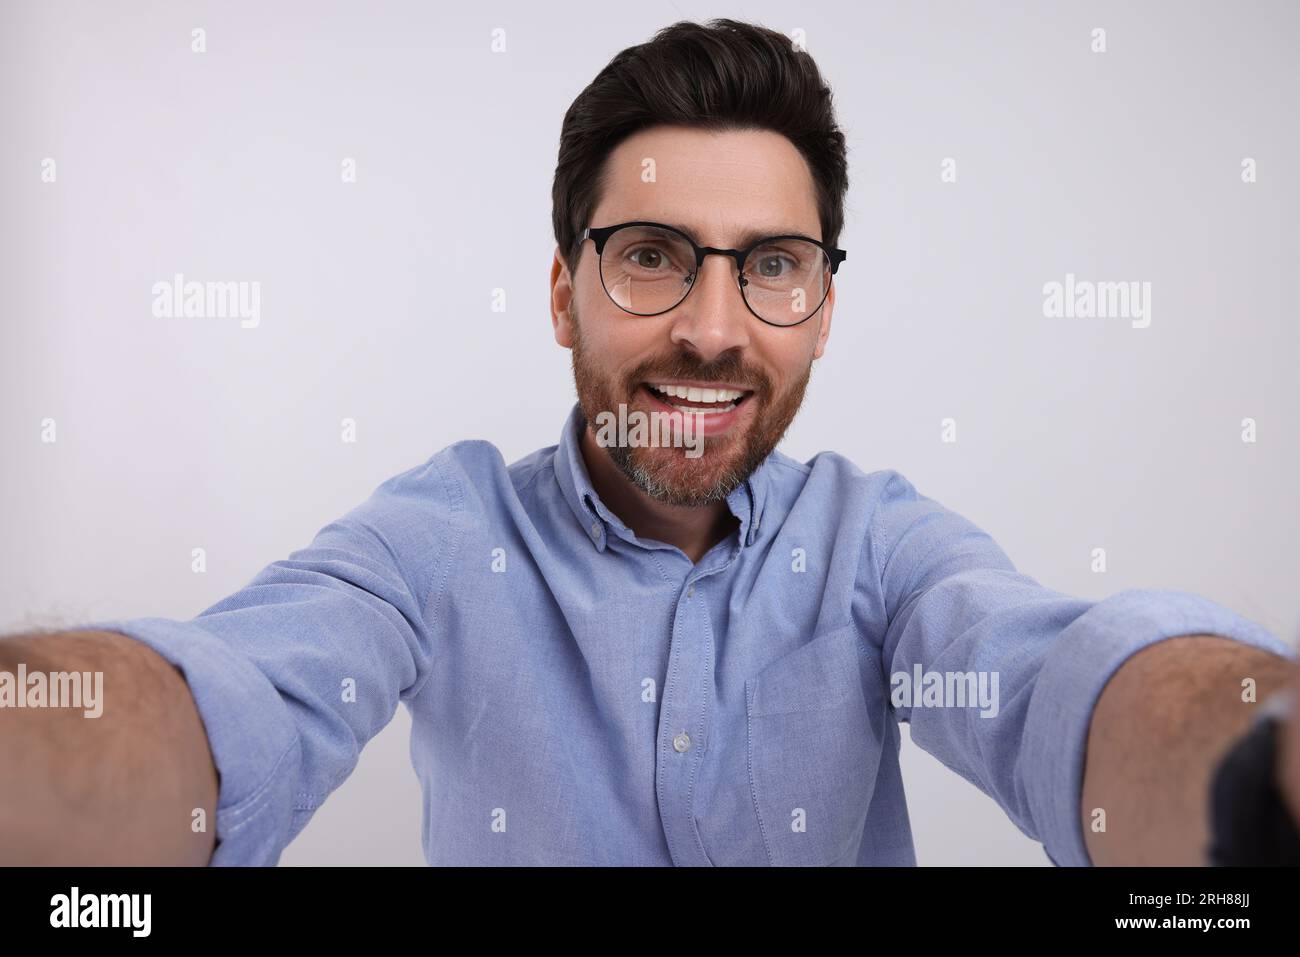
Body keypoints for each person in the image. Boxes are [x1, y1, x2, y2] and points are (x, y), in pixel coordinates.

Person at [2, 18, 1295, 867]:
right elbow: (224, 710)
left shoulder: (882, 545)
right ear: (565, 290)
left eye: (772, 266)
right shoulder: (441, 539)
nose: (712, 329)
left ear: (825, 308)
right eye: (654, 259)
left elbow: (1055, 680)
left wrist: (1260, 755)